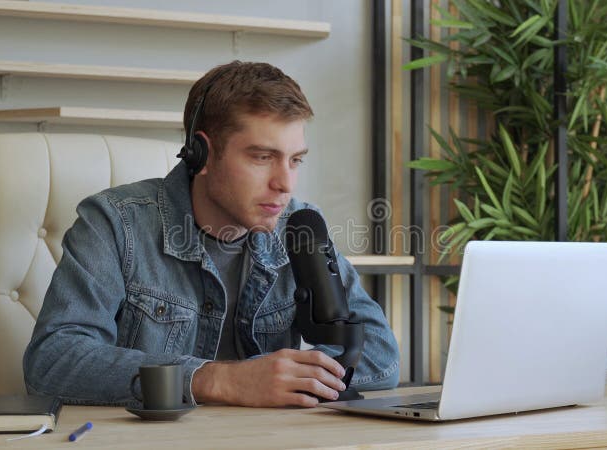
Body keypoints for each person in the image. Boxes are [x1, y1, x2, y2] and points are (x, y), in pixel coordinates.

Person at [23, 61, 399, 408]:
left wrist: (302, 377)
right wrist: (220, 380)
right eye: (262, 157)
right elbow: (53, 361)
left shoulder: (299, 227)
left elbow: (379, 360)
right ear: (201, 154)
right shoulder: (114, 223)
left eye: (295, 160)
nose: (285, 183)